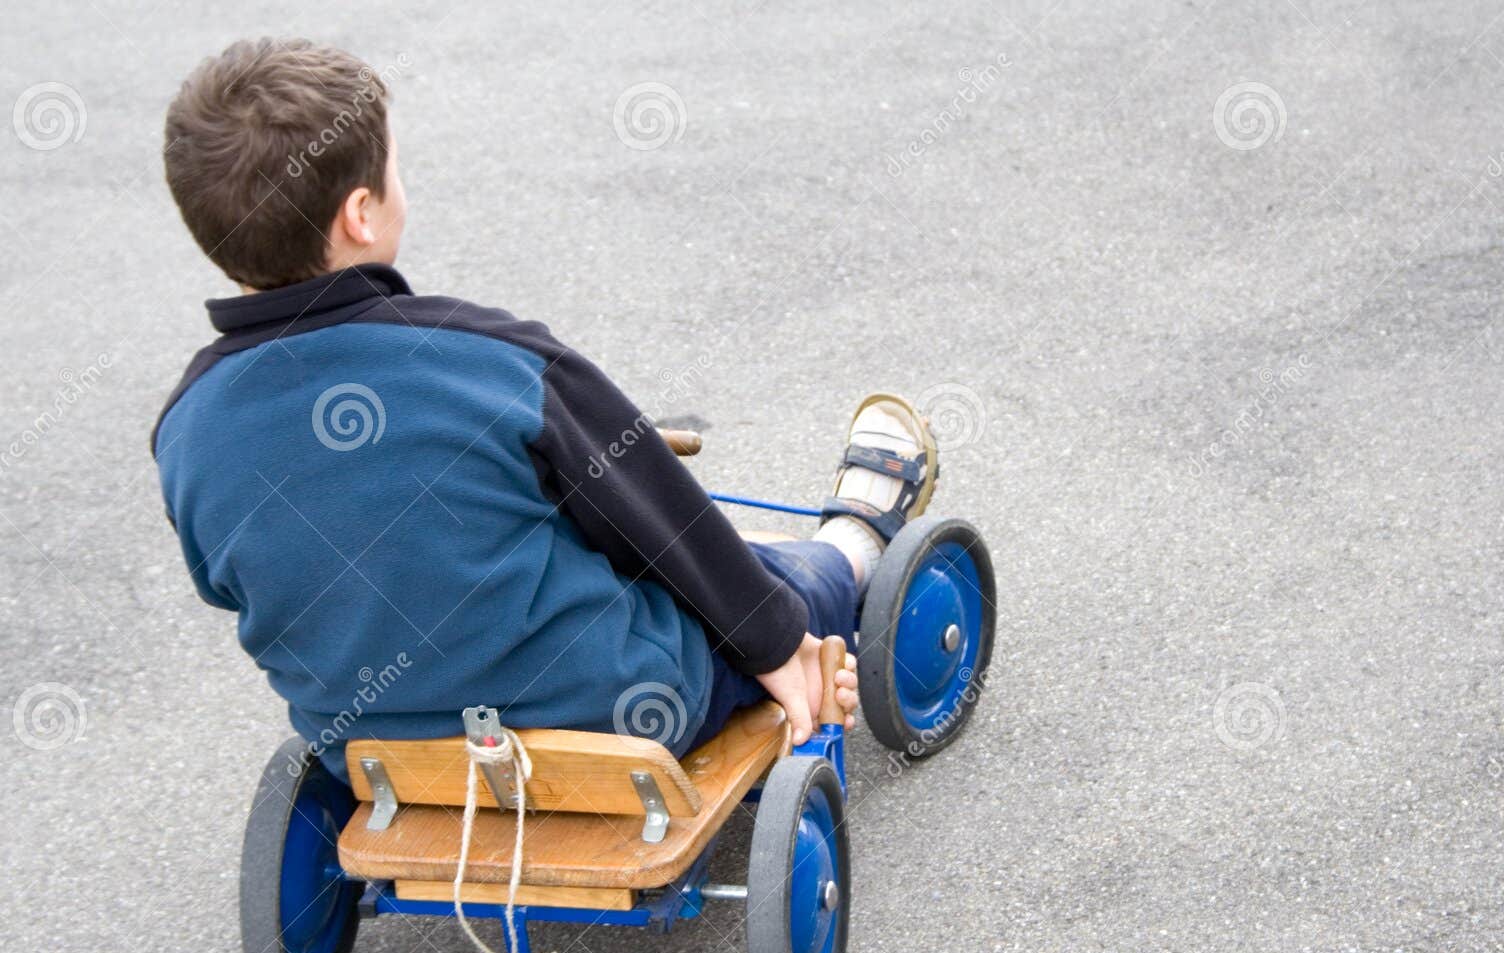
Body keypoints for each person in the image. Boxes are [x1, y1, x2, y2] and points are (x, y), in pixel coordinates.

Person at [153, 38, 938, 779]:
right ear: (361, 213)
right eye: (396, 172)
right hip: (621, 711)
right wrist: (774, 641)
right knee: (770, 576)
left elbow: (231, 585)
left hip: (363, 742)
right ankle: (857, 541)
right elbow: (655, 517)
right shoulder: (491, 359)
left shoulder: (185, 429)